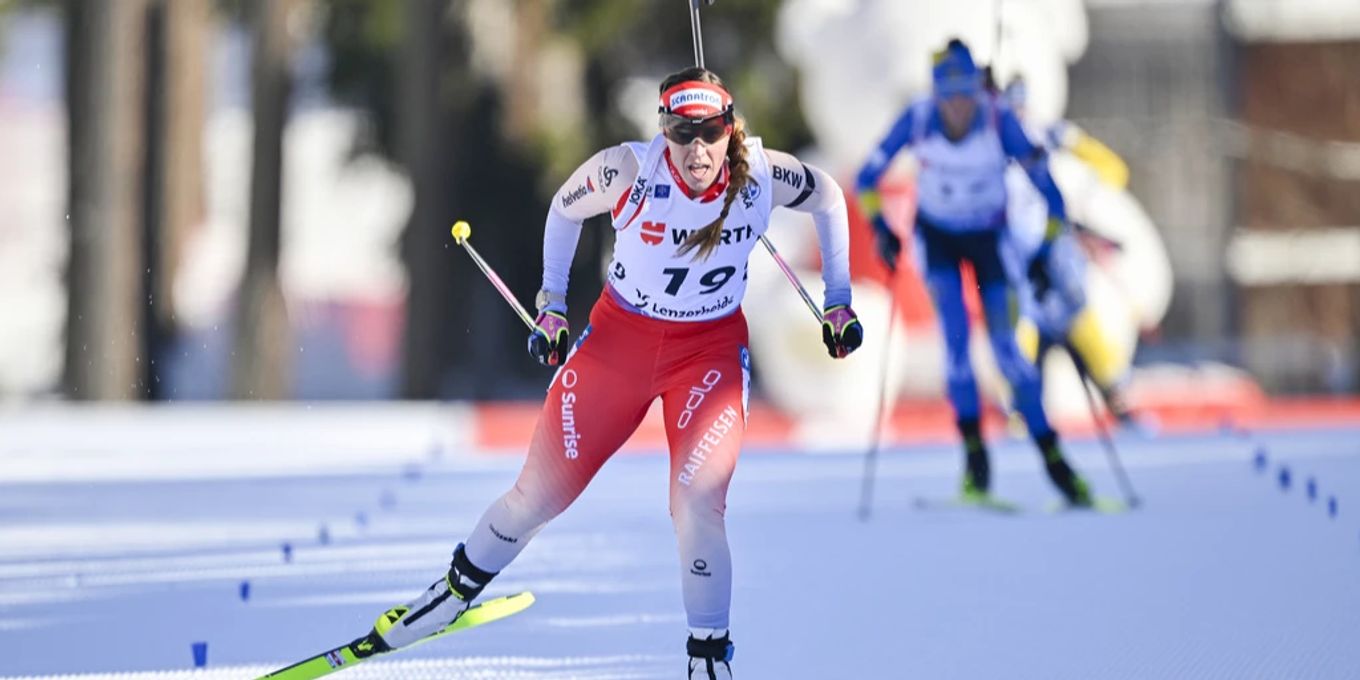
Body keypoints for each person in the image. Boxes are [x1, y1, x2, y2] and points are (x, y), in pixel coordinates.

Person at [364, 67, 862, 680]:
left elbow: (827, 196)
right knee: (539, 494)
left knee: (697, 504)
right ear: (663, 130)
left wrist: (839, 299)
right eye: (681, 132)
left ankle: (708, 660)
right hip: (619, 345)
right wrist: (551, 304)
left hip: (706, 353)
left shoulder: (759, 175)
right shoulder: (628, 171)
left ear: (729, 130)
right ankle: (449, 595)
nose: (697, 149)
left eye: (710, 132)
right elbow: (563, 209)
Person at [855, 38, 1093, 508]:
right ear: (936, 93)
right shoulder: (918, 117)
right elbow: (867, 178)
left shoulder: (998, 117)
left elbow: (1051, 194)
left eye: (967, 94)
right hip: (938, 239)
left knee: (1008, 351)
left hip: (989, 239)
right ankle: (975, 471)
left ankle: (1059, 467)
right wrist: (882, 227)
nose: (959, 106)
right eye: (950, 97)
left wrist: (1044, 252)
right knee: (957, 347)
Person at [1000, 76, 1141, 426]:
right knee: (1022, 322)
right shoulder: (993, 140)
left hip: (1054, 243)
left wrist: (1082, 176)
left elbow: (1113, 170)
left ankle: (1117, 396)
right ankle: (1021, 407)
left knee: (1078, 312)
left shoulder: (1045, 133)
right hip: (1016, 247)